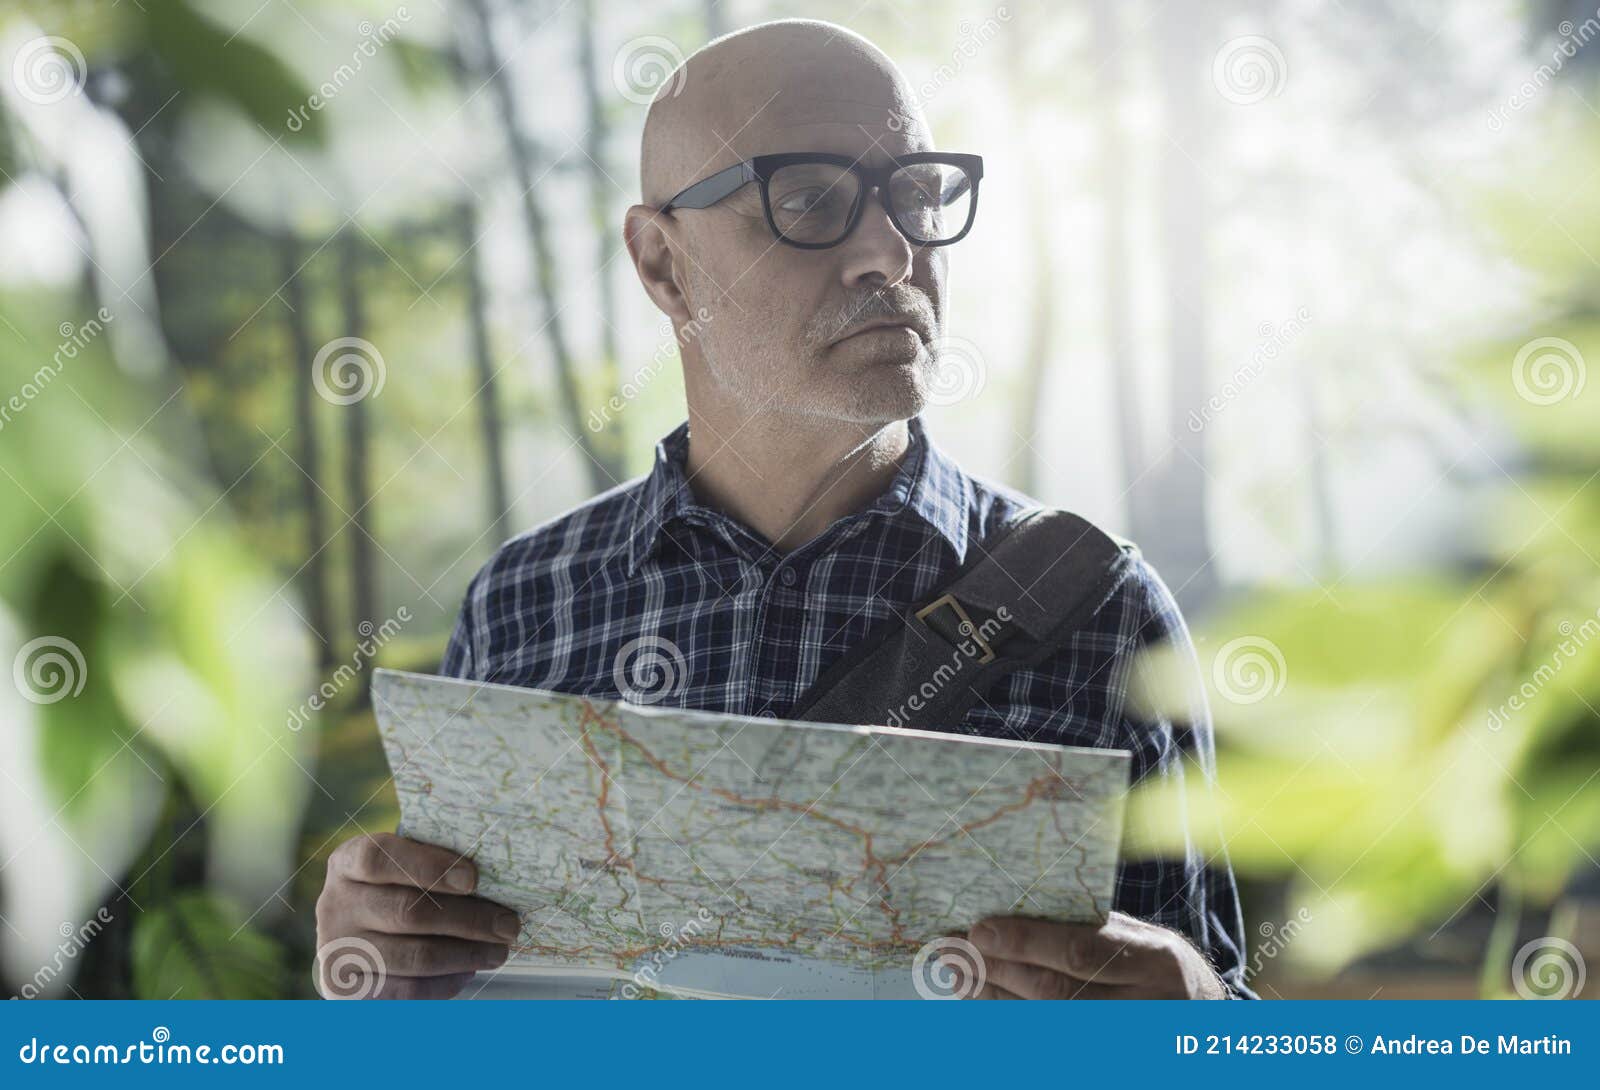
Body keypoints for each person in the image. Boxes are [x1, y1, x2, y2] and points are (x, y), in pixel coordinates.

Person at [315, 18, 1250, 1000]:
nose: (890, 252)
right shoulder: (518, 602)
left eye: (918, 195)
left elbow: (1224, 1012)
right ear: (661, 264)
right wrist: (372, 974)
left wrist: (1187, 1007)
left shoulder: (1099, 602)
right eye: (810, 199)